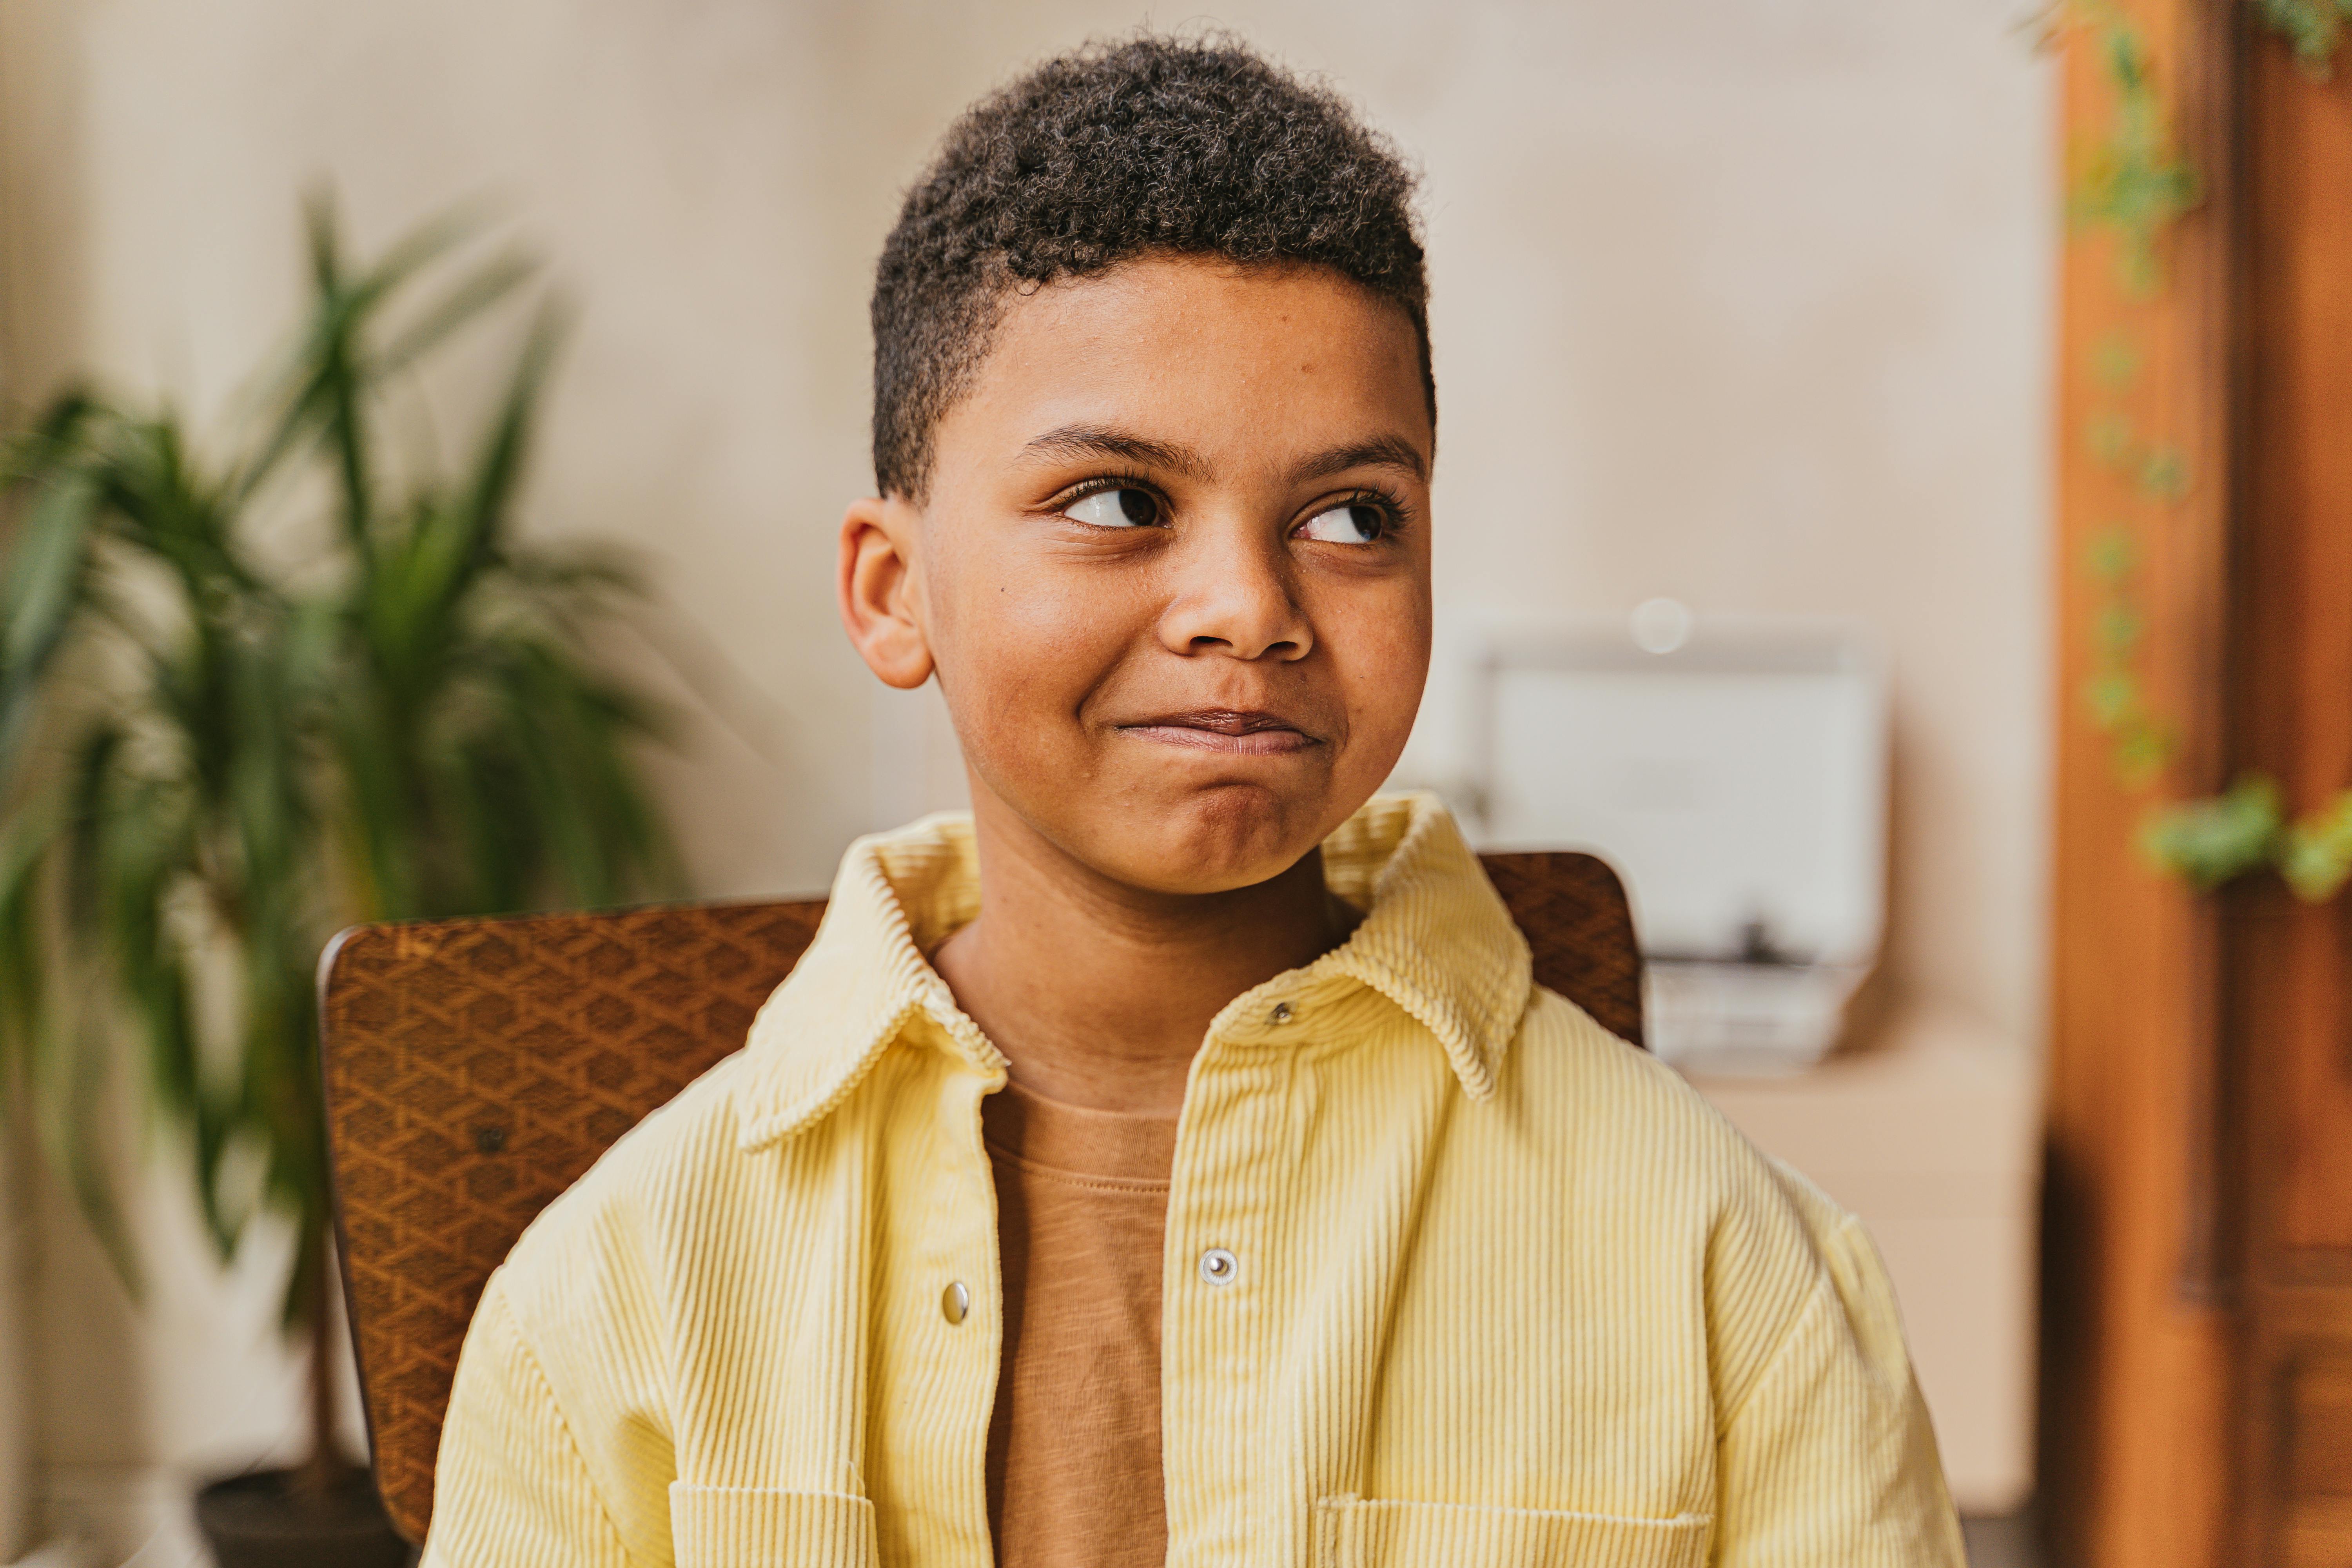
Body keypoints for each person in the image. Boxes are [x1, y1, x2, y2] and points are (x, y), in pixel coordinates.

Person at [423, 34, 1966, 1568]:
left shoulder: (1734, 1278)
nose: (1248, 606)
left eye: (1354, 516)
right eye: (1118, 502)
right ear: (895, 593)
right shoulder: (615, 1314)